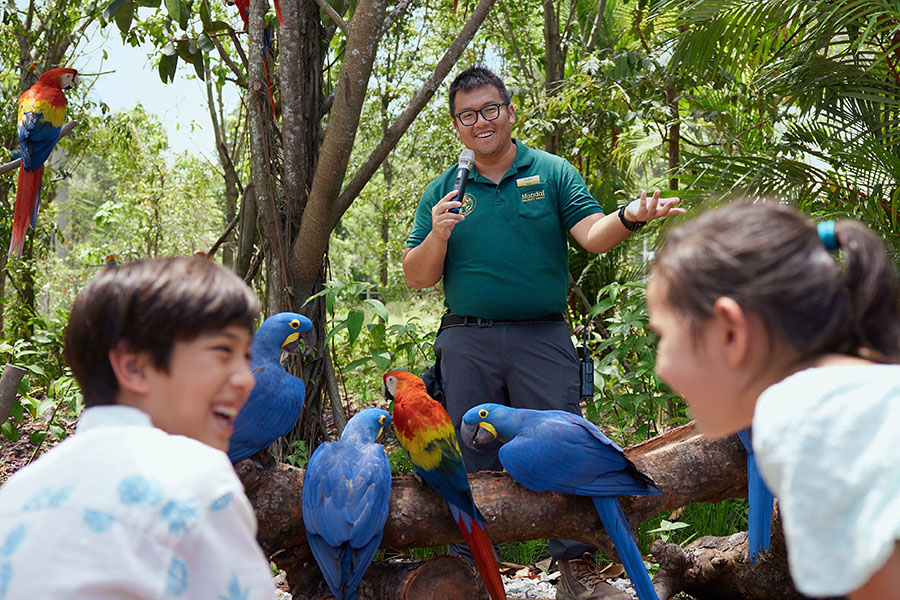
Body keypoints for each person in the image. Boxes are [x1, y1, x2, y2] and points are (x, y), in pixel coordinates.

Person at [403, 64, 683, 600]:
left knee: (561, 453)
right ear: (457, 127)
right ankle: (476, 572)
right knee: (474, 460)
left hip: (543, 339)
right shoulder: (443, 189)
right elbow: (418, 278)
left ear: (509, 112)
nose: (480, 122)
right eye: (467, 116)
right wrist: (438, 232)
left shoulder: (552, 172)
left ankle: (576, 575)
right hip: (468, 340)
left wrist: (629, 215)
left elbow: (594, 236)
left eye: (490, 109)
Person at [647, 202, 900, 599]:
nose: (661, 367)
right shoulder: (862, 391)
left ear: (730, 332)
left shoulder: (801, 412)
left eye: (663, 335)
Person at [0, 257, 279, 599]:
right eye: (222, 352)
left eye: (246, 358)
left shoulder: (17, 494)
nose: (246, 380)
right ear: (133, 367)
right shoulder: (196, 480)